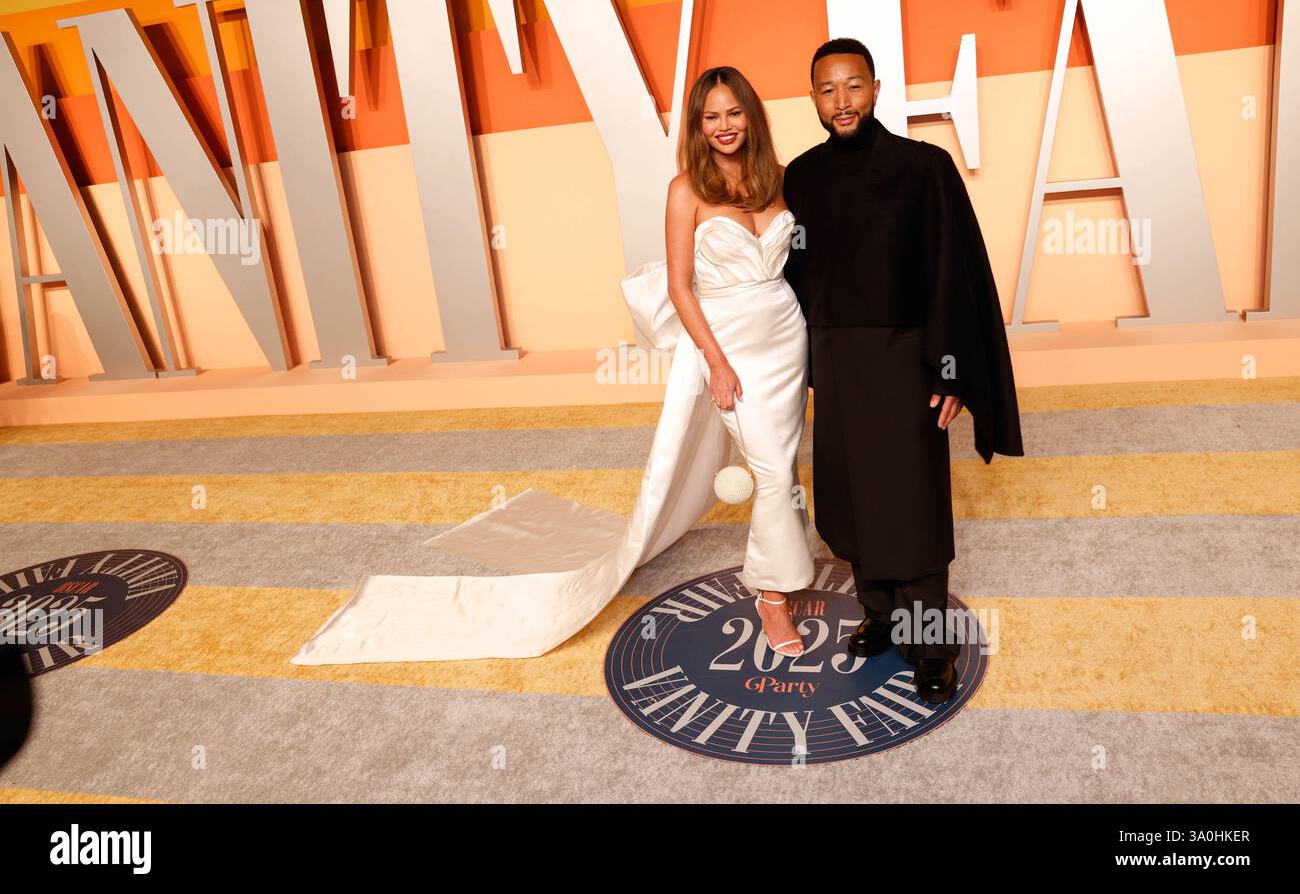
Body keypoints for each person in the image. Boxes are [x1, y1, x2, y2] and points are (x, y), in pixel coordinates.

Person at [291, 66, 815, 665]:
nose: (724, 126)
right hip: (727, 342)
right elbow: (678, 285)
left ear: (751, 114)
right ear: (697, 126)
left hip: (784, 334)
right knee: (771, 468)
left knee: (784, 460)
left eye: (733, 113)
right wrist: (714, 364)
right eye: (710, 116)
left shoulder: (773, 180)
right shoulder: (685, 190)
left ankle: (784, 557)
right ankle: (771, 594)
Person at [782, 38, 1024, 703]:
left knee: (911, 505)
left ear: (878, 88)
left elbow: (952, 270)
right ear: (813, 99)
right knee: (854, 498)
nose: (842, 101)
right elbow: (788, 280)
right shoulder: (800, 176)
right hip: (833, 361)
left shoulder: (924, 168)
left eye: (853, 86)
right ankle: (882, 617)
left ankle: (932, 645)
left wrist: (950, 372)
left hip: (904, 361)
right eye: (827, 90)